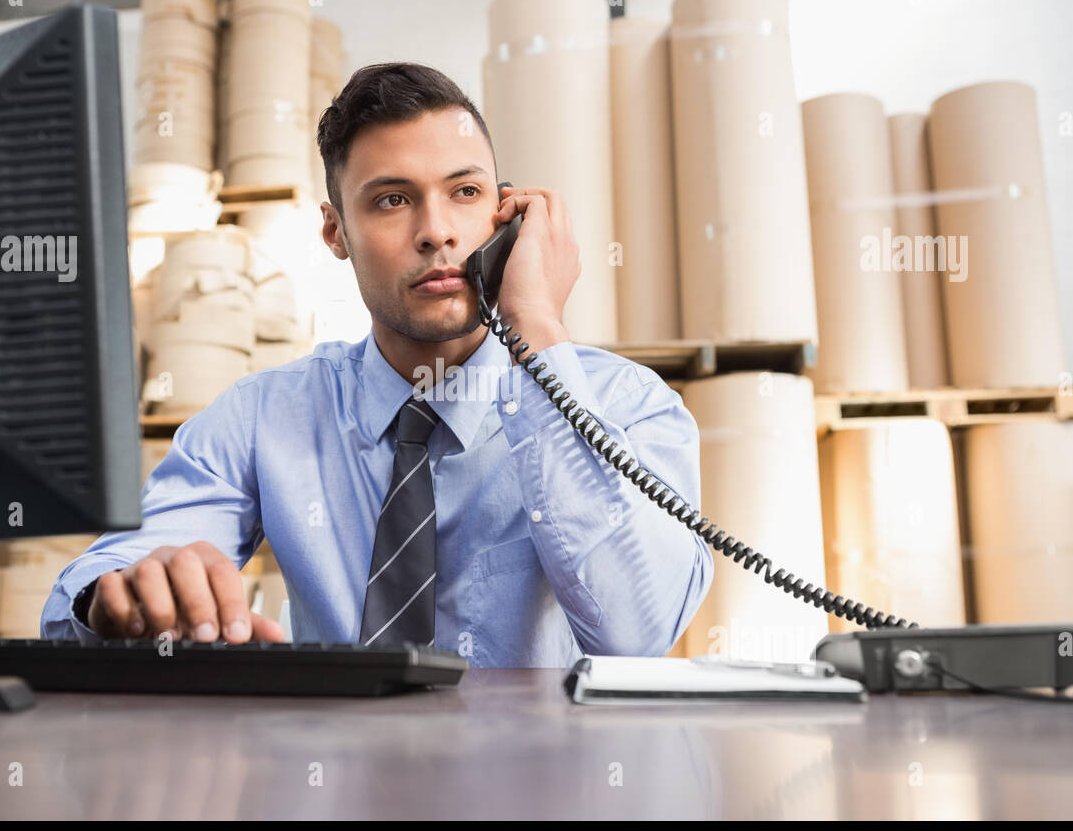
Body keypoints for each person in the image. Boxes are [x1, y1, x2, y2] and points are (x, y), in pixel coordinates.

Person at [42, 62, 713, 667]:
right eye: (392, 199)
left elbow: (635, 635)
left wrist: (537, 327)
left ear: (507, 216)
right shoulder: (262, 417)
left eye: (465, 192)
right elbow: (91, 595)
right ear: (335, 231)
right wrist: (120, 597)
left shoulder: (626, 404)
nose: (436, 231)